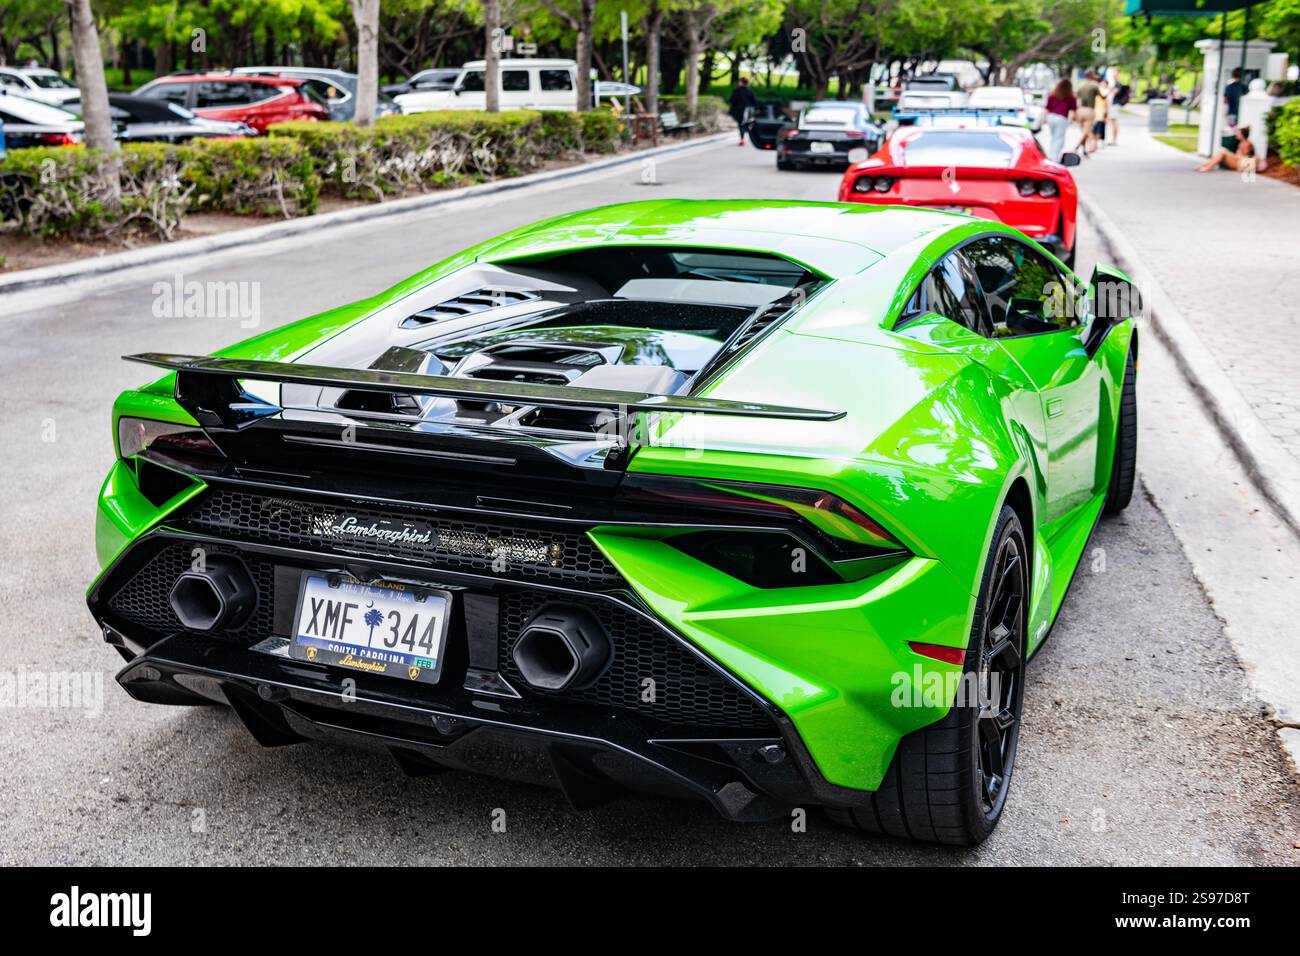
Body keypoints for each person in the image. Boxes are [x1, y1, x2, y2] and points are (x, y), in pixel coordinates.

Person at [1044, 78, 1076, 161]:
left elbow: (1047, 108)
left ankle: (1051, 154)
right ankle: (1054, 157)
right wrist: (1070, 121)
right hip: (1061, 118)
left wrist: (1045, 119)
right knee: (1059, 138)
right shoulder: (1071, 97)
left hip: (1051, 117)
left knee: (1054, 137)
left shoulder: (1052, 95)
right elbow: (1072, 111)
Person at [1075, 69, 1100, 154]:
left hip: (1080, 110)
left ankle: (1084, 149)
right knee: (1086, 131)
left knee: (1084, 131)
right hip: (1089, 110)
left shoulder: (1081, 85)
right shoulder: (1094, 85)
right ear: (1092, 75)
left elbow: (1076, 95)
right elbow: (1101, 96)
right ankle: (1077, 146)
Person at [728, 77, 758, 147]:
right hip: (749, 111)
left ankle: (742, 139)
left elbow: (731, 100)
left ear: (741, 82)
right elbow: (754, 102)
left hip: (739, 111)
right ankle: (749, 137)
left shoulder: (737, 90)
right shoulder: (750, 91)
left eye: (739, 81)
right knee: (747, 124)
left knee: (741, 125)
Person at [1090, 79, 1109, 153]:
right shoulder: (1097, 90)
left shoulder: (1105, 92)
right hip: (1095, 112)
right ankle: (1094, 144)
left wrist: (1105, 114)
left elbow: (1106, 103)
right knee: (1093, 130)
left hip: (1100, 113)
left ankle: (1095, 144)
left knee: (1097, 130)